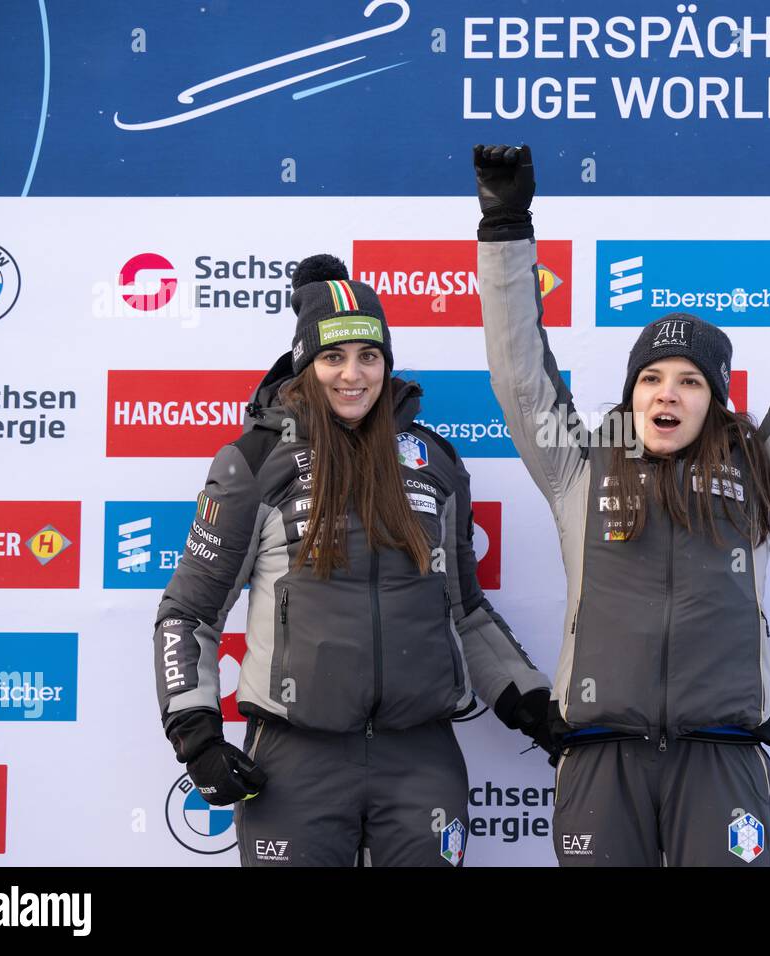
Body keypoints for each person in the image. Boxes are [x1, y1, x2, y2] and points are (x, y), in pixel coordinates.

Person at [473, 141, 770, 866]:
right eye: (651, 378)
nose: (667, 393)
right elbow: (520, 379)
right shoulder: (580, 466)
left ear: (714, 401)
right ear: (632, 394)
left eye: (690, 381)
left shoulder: (759, 471)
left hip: (722, 758)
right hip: (601, 756)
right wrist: (505, 229)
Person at [152, 254, 554, 867]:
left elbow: (466, 612)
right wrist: (197, 735)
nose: (352, 374)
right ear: (305, 365)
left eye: (369, 356)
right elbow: (189, 613)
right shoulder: (254, 461)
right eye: (333, 357)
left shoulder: (435, 461)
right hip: (295, 757)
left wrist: (534, 705)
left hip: (419, 758)